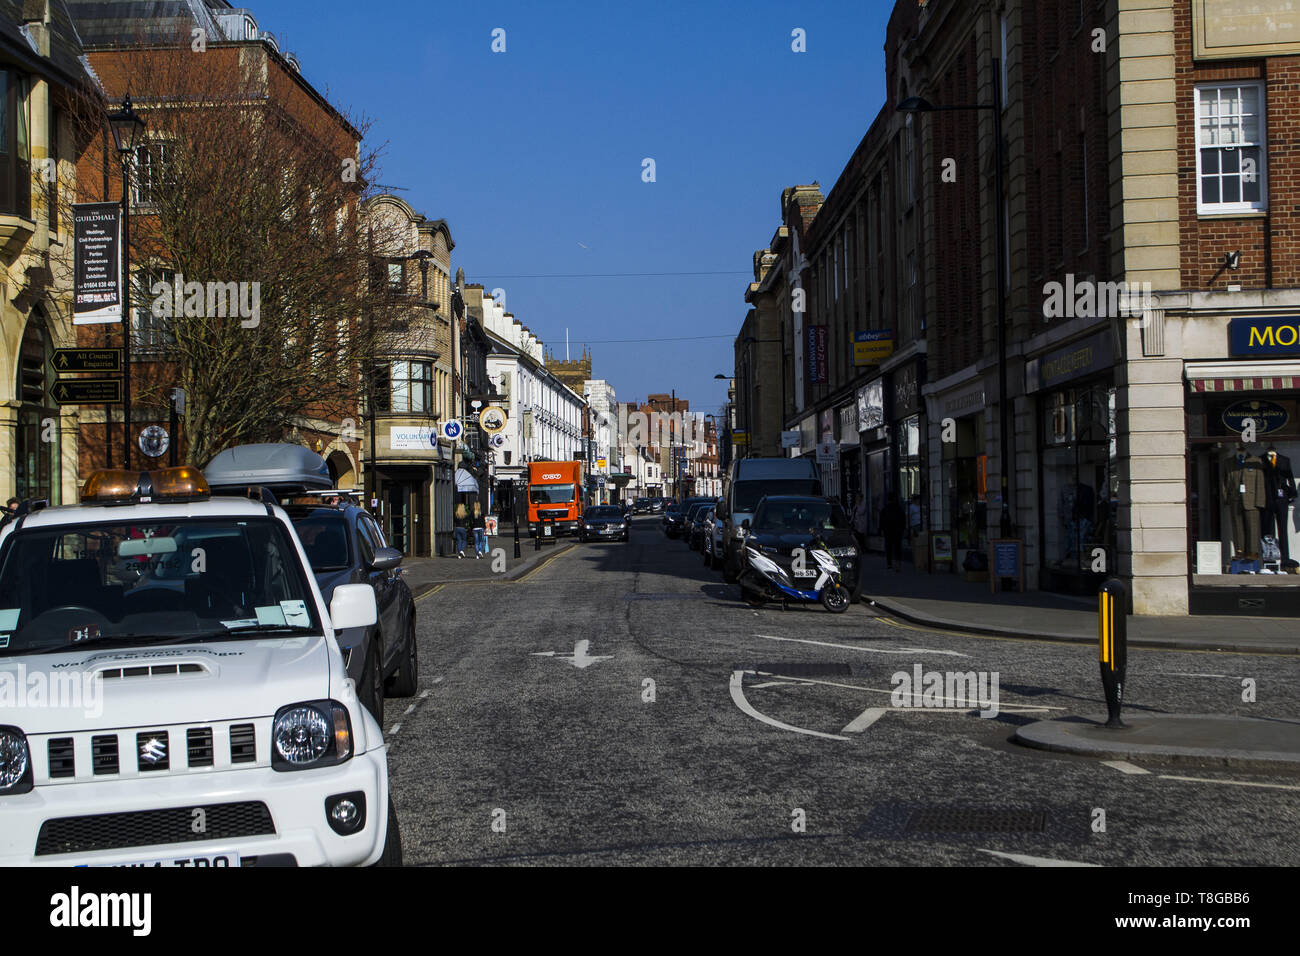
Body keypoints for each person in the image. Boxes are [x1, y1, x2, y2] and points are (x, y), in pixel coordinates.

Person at [880, 497, 906, 571]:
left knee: (889, 547)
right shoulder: (899, 509)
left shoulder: (885, 509)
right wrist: (903, 529)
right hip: (897, 531)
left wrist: (882, 530)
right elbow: (903, 520)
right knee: (897, 547)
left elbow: (881, 520)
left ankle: (889, 564)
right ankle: (897, 563)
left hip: (888, 531)